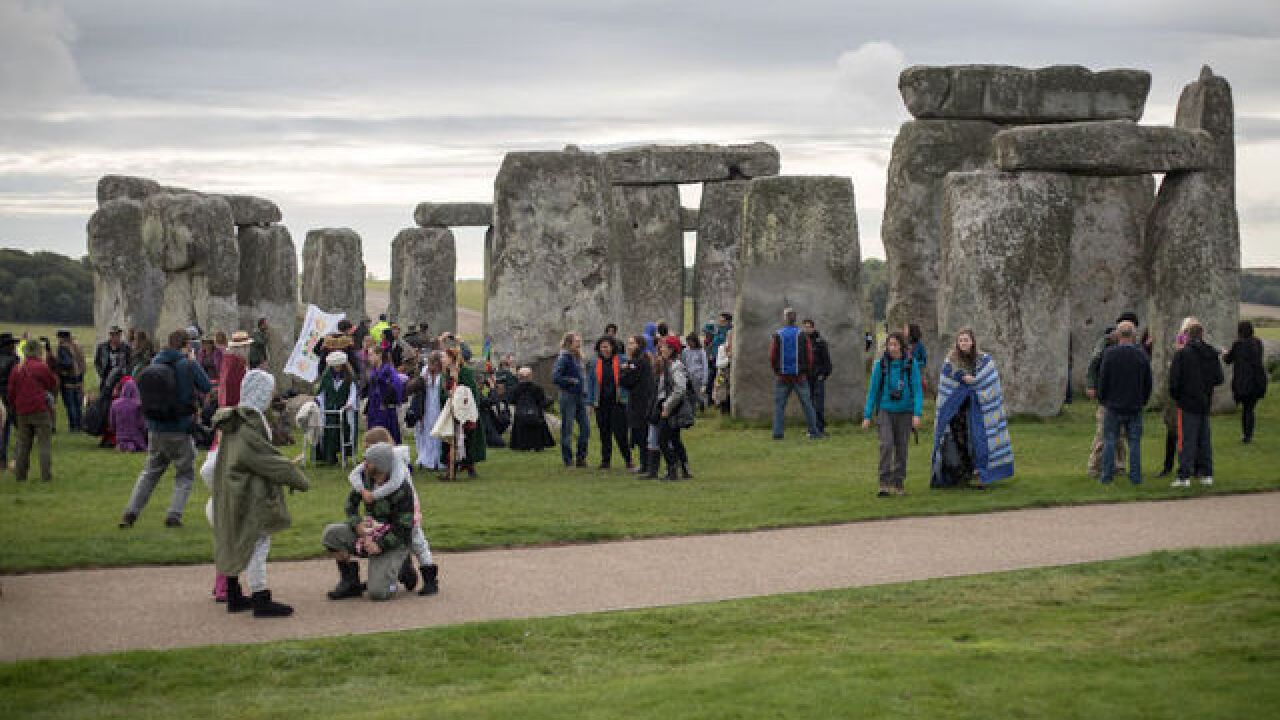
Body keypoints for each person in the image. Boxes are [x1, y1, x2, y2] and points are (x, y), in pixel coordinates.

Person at [208, 369, 310, 617]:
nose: (273, 394)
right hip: (248, 497)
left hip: (232, 494)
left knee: (236, 541)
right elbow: (267, 461)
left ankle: (233, 594)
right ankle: (260, 598)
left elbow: (211, 466)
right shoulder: (248, 427)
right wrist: (298, 479)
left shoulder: (234, 423)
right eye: (270, 390)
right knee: (257, 543)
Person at [120, 329, 212, 527]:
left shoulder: (155, 363)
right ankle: (174, 514)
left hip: (155, 427)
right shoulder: (187, 364)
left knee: (150, 472)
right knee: (185, 474)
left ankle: (131, 512)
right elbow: (206, 386)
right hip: (180, 426)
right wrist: (192, 361)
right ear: (186, 345)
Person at [351, 427, 439, 596]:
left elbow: (394, 486)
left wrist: (373, 495)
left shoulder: (398, 464)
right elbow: (354, 475)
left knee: (417, 542)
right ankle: (400, 570)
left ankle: (430, 580)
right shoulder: (376, 466)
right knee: (387, 537)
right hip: (389, 512)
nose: (366, 454)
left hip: (407, 510)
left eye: (368, 448)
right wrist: (362, 489)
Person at [322, 442, 414, 602]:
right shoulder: (366, 479)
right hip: (369, 534)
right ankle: (351, 583)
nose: (364, 463)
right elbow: (350, 505)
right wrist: (357, 525)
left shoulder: (402, 489)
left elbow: (404, 528)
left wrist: (380, 545)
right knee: (331, 535)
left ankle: (401, 570)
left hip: (393, 542)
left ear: (380, 465)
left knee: (379, 593)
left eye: (369, 461)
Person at [930, 328, 1013, 488]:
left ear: (973, 341)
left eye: (966, 340)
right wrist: (960, 377)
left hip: (979, 411)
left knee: (978, 441)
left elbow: (990, 381)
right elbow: (946, 386)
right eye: (960, 340)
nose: (963, 343)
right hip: (957, 412)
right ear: (957, 343)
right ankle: (959, 474)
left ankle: (980, 474)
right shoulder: (950, 363)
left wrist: (973, 383)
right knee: (958, 441)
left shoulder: (984, 361)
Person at [862, 332, 922, 497]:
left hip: (905, 411)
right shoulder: (880, 365)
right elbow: (872, 392)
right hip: (885, 410)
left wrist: (917, 413)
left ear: (902, 346)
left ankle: (898, 482)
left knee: (902, 449)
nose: (892, 348)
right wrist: (867, 415)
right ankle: (884, 482)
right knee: (886, 445)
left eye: (895, 344)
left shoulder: (911, 364)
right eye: (890, 345)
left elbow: (917, 390)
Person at [1085, 312, 1144, 477]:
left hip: (1126, 395)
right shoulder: (1106, 342)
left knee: (1121, 435)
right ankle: (1094, 467)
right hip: (1109, 395)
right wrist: (1092, 385)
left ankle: (1118, 466)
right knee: (1104, 433)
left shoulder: (1136, 345)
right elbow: (1094, 362)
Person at [1096, 321, 1153, 485]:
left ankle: (1107, 477)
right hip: (1134, 403)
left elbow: (1103, 378)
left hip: (1113, 403)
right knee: (1134, 442)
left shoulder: (1110, 354)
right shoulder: (1141, 354)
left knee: (1109, 441)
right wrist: (1143, 399)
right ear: (1133, 335)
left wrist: (1103, 398)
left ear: (1118, 335)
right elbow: (1148, 381)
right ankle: (1135, 477)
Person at [1169, 321, 1224, 488]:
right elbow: (1219, 378)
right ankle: (1207, 474)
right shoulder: (1211, 353)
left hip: (1187, 401)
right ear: (1202, 334)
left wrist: (1177, 396)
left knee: (1187, 440)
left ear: (1187, 335)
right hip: (1205, 400)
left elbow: (1174, 381)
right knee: (1204, 439)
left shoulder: (1182, 354)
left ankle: (1184, 476)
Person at [6, 339, 58, 482]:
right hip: (40, 409)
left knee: (23, 445)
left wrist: (14, 405)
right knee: (44, 444)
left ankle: (20, 476)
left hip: (22, 410)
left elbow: (11, 391)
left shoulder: (17, 368)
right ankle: (46, 476)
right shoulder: (42, 367)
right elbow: (51, 384)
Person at [770, 308, 821, 440]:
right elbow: (809, 355)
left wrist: (777, 370)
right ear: (795, 319)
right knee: (807, 404)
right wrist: (806, 370)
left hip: (782, 376)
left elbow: (772, 355)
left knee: (779, 405)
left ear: (785, 319)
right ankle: (814, 431)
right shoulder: (802, 334)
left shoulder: (778, 334)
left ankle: (777, 433)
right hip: (800, 376)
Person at [586, 336, 632, 470]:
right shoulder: (594, 362)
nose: (604, 349)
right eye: (602, 346)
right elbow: (590, 383)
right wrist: (589, 402)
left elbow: (629, 379)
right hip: (601, 403)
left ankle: (628, 459)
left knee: (620, 433)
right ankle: (605, 461)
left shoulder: (622, 360)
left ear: (613, 347)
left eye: (607, 346)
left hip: (618, 402)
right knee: (604, 433)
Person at [438, 347, 485, 478]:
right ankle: (450, 470)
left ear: (451, 358)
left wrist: (463, 408)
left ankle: (470, 467)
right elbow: (442, 394)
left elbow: (471, 392)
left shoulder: (465, 372)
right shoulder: (444, 374)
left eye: (444, 357)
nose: (442, 360)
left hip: (465, 413)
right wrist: (447, 398)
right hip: (449, 412)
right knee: (448, 441)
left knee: (467, 440)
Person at [653, 336, 695, 481]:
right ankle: (685, 468)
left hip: (672, 408)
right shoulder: (666, 365)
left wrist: (667, 406)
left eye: (664, 347)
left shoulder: (676, 366)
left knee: (662, 440)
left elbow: (680, 389)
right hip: (668, 406)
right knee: (675, 440)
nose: (661, 349)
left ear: (671, 350)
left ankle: (672, 469)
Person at [1156, 320, 1194, 478]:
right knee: (1173, 432)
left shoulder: (1194, 346)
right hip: (1177, 395)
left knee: (1185, 433)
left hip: (1187, 394)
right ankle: (1169, 465)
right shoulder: (1181, 342)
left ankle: (1184, 465)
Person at [1224, 320, 1268, 444]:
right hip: (1258, 380)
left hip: (1244, 382)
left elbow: (1228, 360)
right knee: (1249, 408)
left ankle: (1246, 435)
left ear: (1240, 331)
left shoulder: (1238, 344)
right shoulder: (1257, 343)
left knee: (1247, 408)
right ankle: (1248, 434)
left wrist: (1224, 353)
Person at [619, 335, 656, 474]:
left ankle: (646, 464)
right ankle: (645, 463)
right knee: (641, 433)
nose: (629, 346)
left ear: (639, 345)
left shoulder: (638, 362)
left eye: (632, 343)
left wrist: (623, 370)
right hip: (639, 401)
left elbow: (627, 380)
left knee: (642, 433)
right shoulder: (640, 360)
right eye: (628, 343)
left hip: (641, 403)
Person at [553, 332, 590, 468]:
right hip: (568, 395)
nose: (579, 344)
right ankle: (568, 460)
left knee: (585, 428)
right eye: (576, 341)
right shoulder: (564, 358)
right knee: (567, 428)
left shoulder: (578, 358)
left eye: (580, 341)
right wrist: (570, 381)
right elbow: (555, 377)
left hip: (580, 396)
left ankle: (581, 457)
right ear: (569, 343)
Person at [315, 351, 359, 465]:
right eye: (335, 366)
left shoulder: (349, 377)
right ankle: (330, 457)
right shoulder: (326, 377)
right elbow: (321, 393)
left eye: (339, 366)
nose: (337, 368)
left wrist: (349, 403)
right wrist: (319, 402)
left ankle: (345, 455)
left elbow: (353, 393)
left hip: (344, 409)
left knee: (344, 432)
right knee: (329, 432)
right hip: (329, 409)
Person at [408, 351, 446, 470]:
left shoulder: (444, 373)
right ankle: (426, 458)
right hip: (427, 403)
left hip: (438, 405)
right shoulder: (425, 371)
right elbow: (418, 390)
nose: (430, 366)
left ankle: (438, 459)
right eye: (429, 363)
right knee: (425, 430)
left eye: (432, 364)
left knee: (438, 430)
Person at [509, 367, 555, 452]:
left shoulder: (515, 389)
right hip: (536, 415)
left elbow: (512, 401)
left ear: (519, 377)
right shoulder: (537, 388)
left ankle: (522, 445)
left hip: (520, 416)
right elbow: (542, 402)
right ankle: (538, 445)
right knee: (539, 418)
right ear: (530, 376)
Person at [365, 348, 404, 444]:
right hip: (374, 408)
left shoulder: (389, 370)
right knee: (374, 433)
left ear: (379, 355)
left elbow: (397, 385)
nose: (369, 358)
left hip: (385, 408)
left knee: (387, 433)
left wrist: (387, 401)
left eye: (371, 355)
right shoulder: (373, 372)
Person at [51, 330, 86, 432]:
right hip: (79, 379)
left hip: (68, 380)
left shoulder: (63, 348)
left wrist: (57, 364)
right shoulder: (77, 346)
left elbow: (67, 363)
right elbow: (82, 363)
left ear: (62, 337)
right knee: (78, 405)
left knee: (70, 405)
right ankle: (80, 425)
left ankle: (73, 427)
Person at [802, 319, 833, 434]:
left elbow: (827, 362)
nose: (807, 329)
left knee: (819, 404)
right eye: (805, 327)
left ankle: (820, 428)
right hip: (807, 378)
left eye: (809, 327)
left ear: (813, 328)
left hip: (818, 377)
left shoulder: (820, 343)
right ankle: (811, 428)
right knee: (808, 404)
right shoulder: (802, 342)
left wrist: (823, 375)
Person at [109, 377, 148, 452]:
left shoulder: (115, 403)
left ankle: (123, 446)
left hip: (120, 436)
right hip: (135, 436)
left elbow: (112, 423)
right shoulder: (138, 404)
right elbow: (142, 424)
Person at [218, 332, 252, 409]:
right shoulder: (236, 361)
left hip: (225, 399)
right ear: (241, 347)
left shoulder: (228, 359)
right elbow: (236, 382)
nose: (248, 350)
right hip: (233, 401)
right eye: (246, 347)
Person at [0, 333, 18, 471]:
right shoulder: (14, 360)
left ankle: (2, 461)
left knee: (3, 431)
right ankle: (17, 459)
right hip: (11, 396)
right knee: (22, 429)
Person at [681, 333, 708, 412]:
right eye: (688, 342)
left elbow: (705, 366)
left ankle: (702, 403)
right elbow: (683, 363)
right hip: (688, 376)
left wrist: (704, 380)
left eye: (690, 342)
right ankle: (692, 411)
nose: (689, 344)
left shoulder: (701, 351)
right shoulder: (685, 351)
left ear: (695, 341)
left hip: (698, 376)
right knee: (689, 395)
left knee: (698, 394)